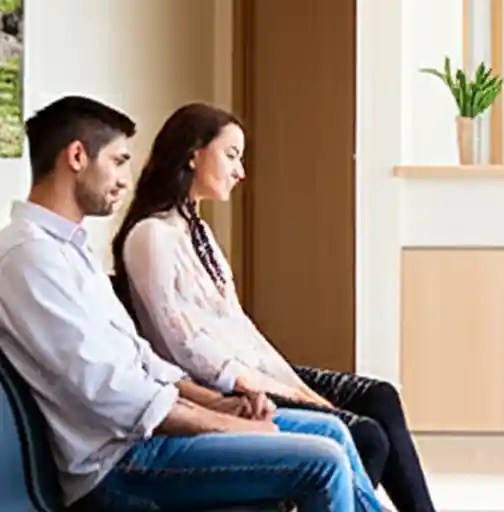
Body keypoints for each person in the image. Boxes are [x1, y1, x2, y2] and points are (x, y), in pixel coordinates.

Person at [0, 96, 381, 512]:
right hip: (119, 462)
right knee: (322, 462)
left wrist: (219, 403)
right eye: (118, 161)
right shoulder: (29, 258)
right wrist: (227, 424)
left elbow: (141, 359)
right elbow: (112, 393)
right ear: (77, 156)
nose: (126, 180)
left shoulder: (71, 250)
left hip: (148, 437)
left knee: (332, 433)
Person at [111, 102, 436, 512]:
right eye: (231, 155)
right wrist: (277, 389)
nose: (240, 171)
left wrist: (296, 386)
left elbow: (241, 329)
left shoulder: (200, 233)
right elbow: (183, 346)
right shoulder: (151, 237)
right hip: (220, 386)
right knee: (366, 436)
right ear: (193, 154)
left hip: (253, 372)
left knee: (380, 397)